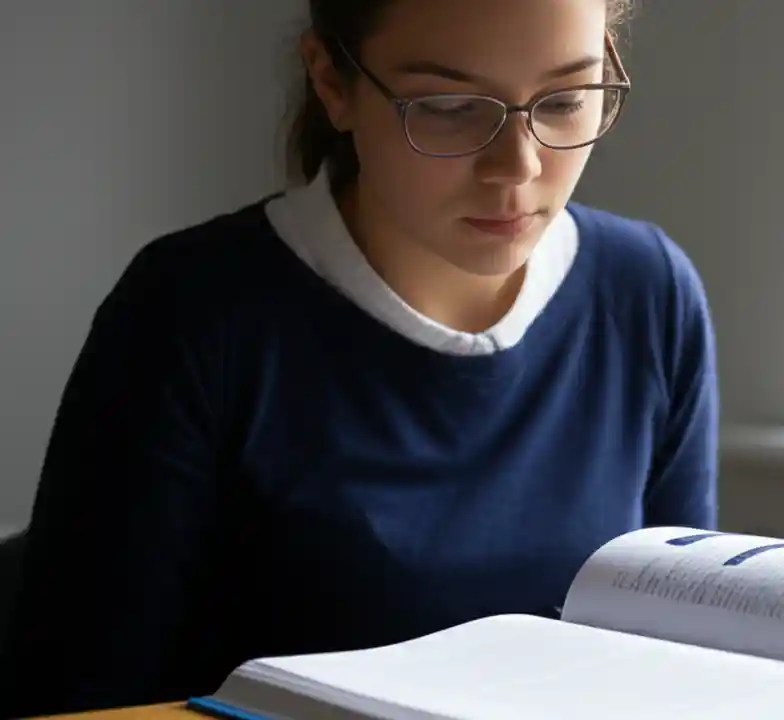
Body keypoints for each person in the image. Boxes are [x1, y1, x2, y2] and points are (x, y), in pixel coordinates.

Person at [0, 0, 718, 715]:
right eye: (447, 107)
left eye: (566, 101)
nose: (518, 166)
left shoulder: (647, 293)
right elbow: (77, 695)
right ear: (333, 82)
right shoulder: (195, 313)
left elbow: (685, 658)